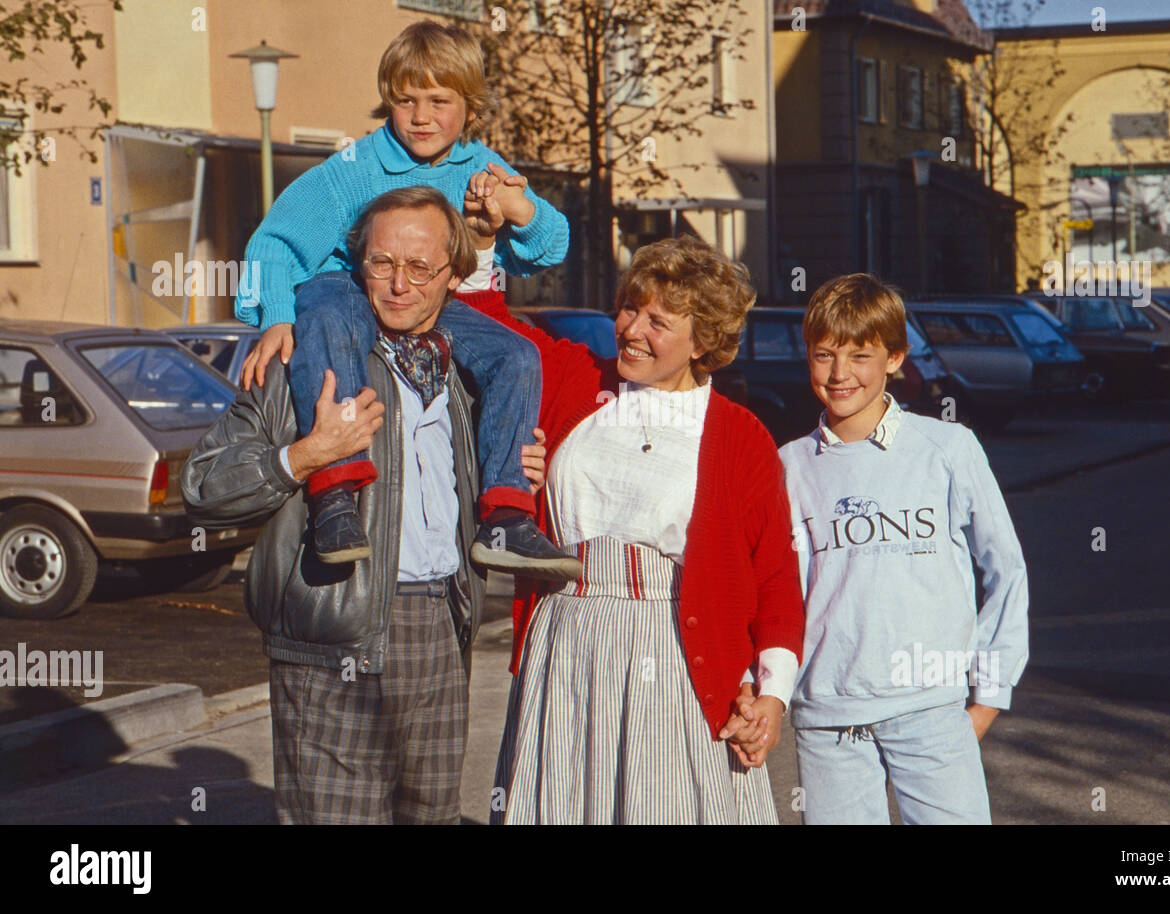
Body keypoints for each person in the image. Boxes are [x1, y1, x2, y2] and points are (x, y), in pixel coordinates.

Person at [183, 186, 546, 824]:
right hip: (331, 632)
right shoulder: (302, 362)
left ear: (455, 275)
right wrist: (307, 455)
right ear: (358, 265)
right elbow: (204, 487)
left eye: (420, 268)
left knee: (429, 817)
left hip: (441, 626)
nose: (399, 285)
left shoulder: (467, 375)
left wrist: (520, 468)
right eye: (381, 264)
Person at [233, 20, 577, 581]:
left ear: (470, 106)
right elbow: (274, 240)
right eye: (406, 100)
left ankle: (506, 515)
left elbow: (550, 246)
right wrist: (275, 315)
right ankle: (336, 496)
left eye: (440, 101)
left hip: (429, 301)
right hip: (352, 286)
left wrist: (519, 211)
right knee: (326, 314)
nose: (421, 117)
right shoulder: (356, 169)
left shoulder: (481, 164)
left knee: (518, 356)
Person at [483, 235, 806, 825]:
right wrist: (485, 236)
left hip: (675, 649)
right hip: (565, 635)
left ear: (702, 340)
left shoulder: (738, 434)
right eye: (630, 307)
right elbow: (488, 324)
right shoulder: (577, 381)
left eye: (659, 320)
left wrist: (772, 693)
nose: (631, 328)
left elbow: (777, 575)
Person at [774, 273, 1030, 825]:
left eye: (860, 356)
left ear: (895, 357)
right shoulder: (789, 465)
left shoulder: (947, 446)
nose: (840, 375)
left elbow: (1005, 569)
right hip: (828, 715)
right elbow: (778, 593)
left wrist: (989, 694)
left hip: (930, 709)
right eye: (824, 355)